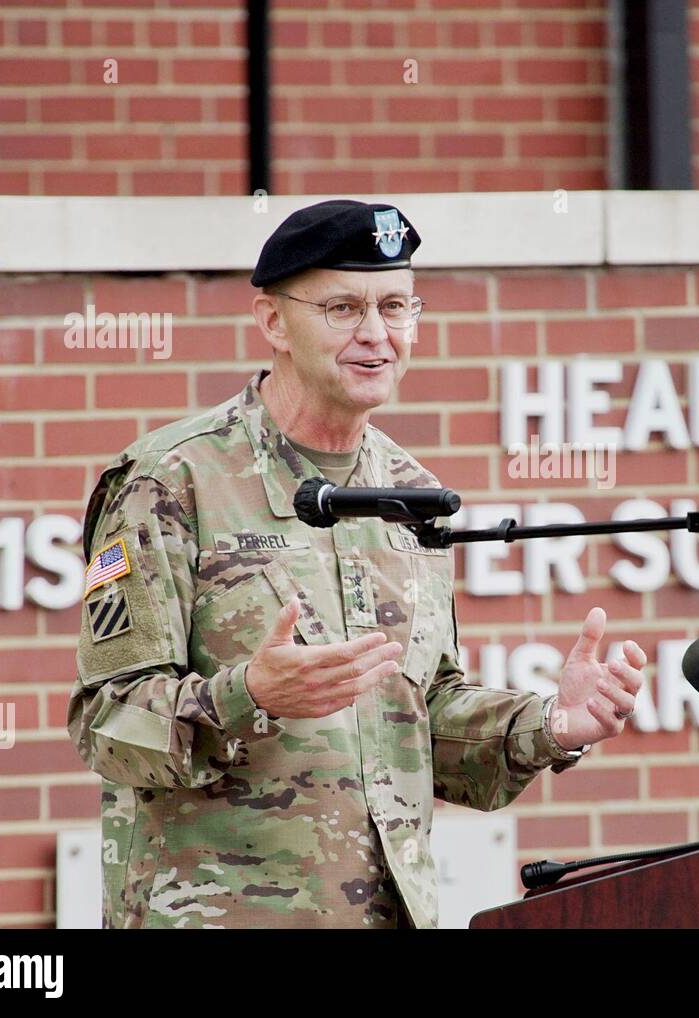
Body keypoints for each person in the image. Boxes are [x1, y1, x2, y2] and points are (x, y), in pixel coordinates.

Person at [67, 199, 647, 928]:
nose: (377, 334)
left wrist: (553, 725)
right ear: (273, 322)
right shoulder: (170, 480)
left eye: (397, 307)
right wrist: (249, 695)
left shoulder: (409, 495)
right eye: (343, 307)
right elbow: (106, 722)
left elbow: (421, 716)